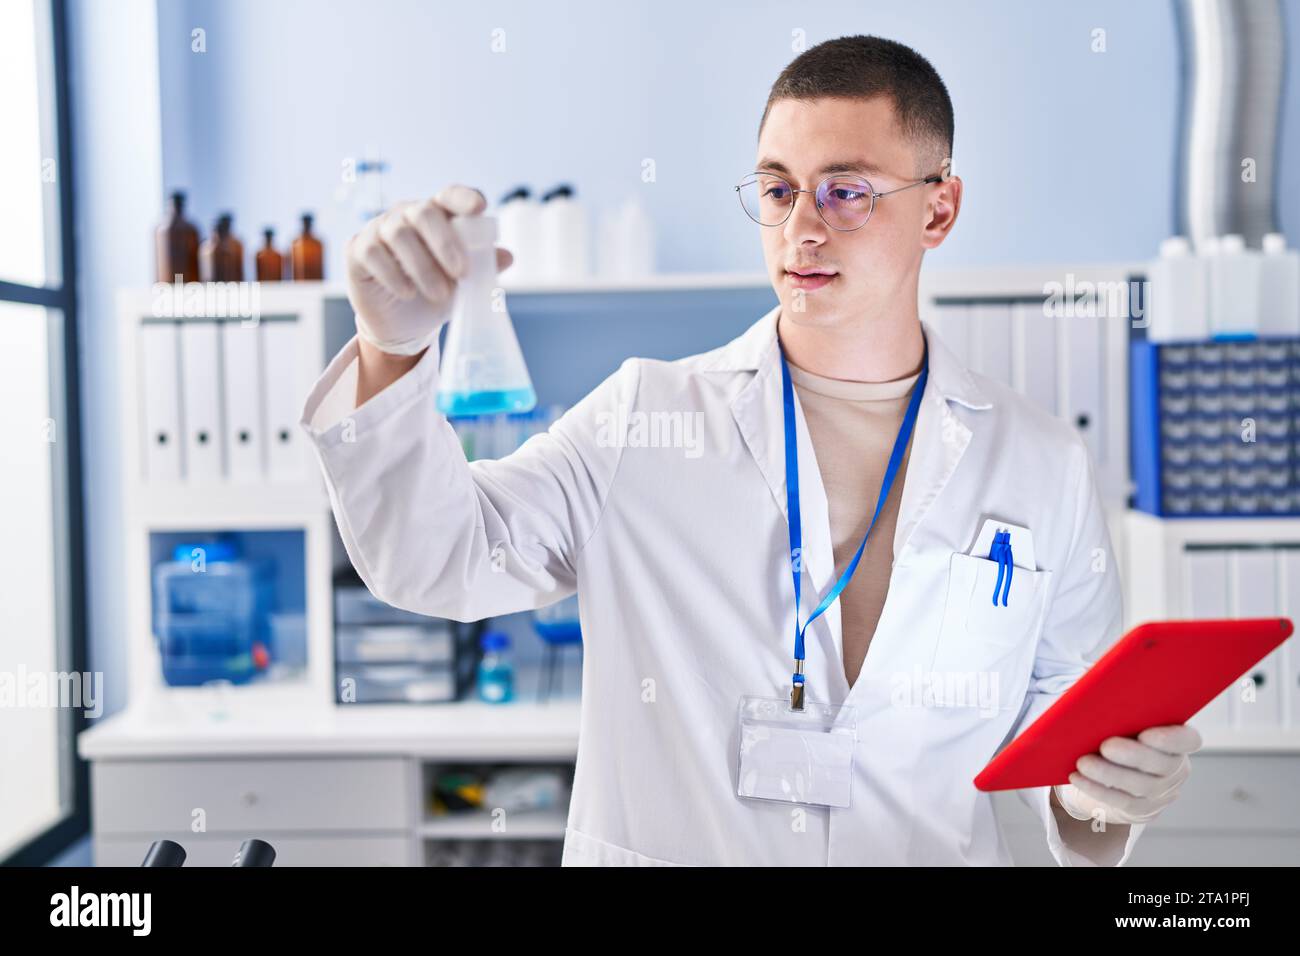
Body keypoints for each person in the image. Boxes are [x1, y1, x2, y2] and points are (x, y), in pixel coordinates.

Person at [301, 35, 1198, 866]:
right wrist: (392, 350)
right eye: (777, 190)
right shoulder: (641, 418)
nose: (801, 227)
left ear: (939, 208)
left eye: (846, 191)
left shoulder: (1039, 464)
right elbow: (437, 561)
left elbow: (1072, 753)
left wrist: (1111, 797)